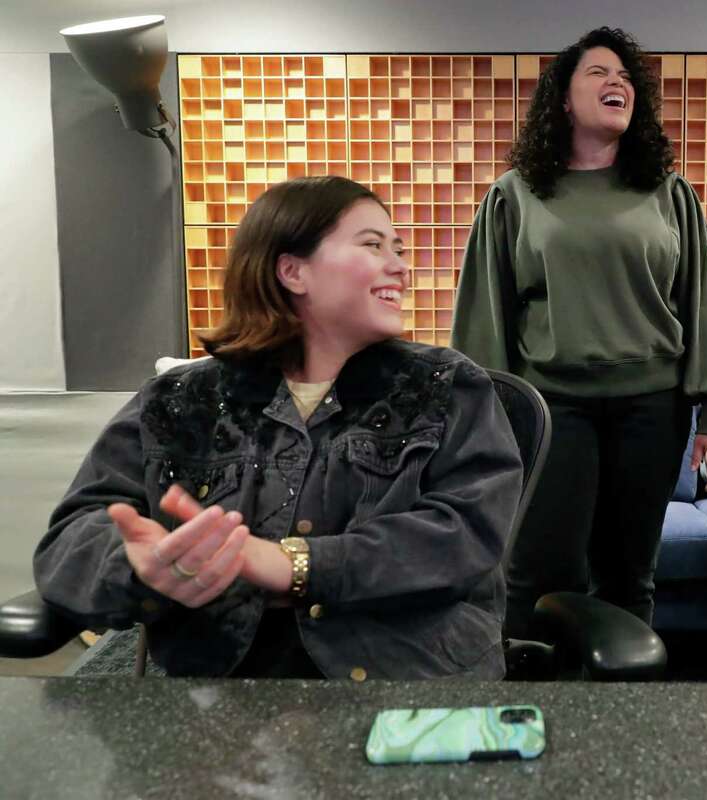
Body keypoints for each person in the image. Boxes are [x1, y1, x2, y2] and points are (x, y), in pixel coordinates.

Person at [34, 176, 523, 680]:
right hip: (220, 691)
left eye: (397, 250)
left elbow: (467, 534)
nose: (401, 267)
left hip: (405, 683)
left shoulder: (447, 386)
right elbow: (71, 540)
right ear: (292, 271)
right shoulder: (178, 401)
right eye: (373, 245)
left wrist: (295, 563)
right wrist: (142, 568)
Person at [451, 27, 707, 638]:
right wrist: (487, 415)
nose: (618, 82)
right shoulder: (516, 195)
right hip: (552, 409)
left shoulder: (668, 193)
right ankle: (536, 712)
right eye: (598, 72)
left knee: (630, 576)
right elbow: (484, 312)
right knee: (538, 570)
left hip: (653, 411)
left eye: (626, 76)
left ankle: (625, 720)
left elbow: (706, 302)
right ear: (562, 98)